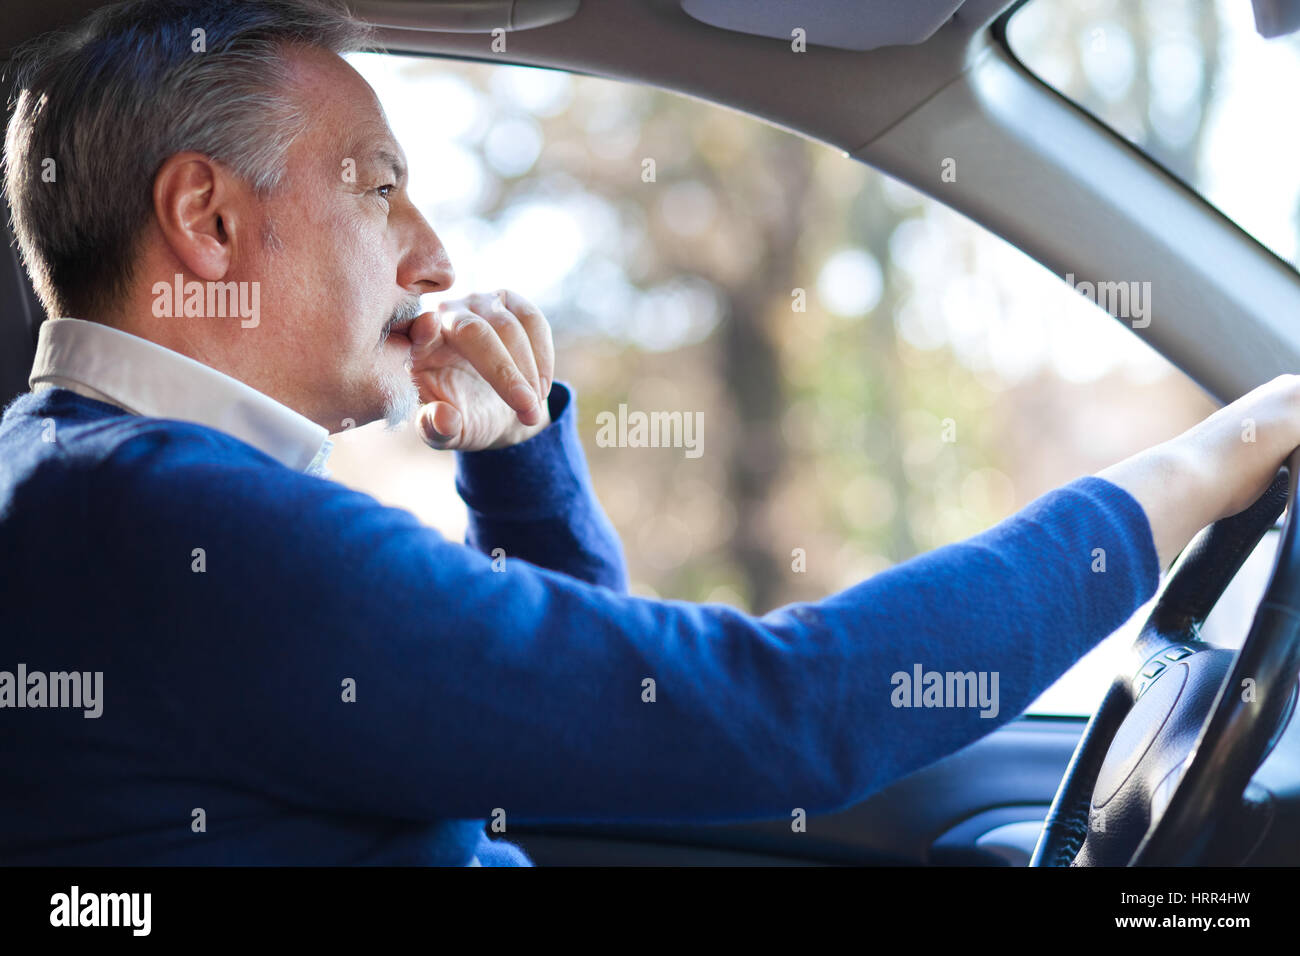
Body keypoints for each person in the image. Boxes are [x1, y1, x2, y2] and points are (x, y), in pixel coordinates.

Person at [0, 0, 1296, 866]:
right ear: (210, 223)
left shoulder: (92, 488)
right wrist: (1193, 470)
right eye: (382, 190)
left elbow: (566, 752)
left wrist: (514, 474)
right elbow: (790, 713)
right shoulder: (178, 528)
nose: (434, 252)